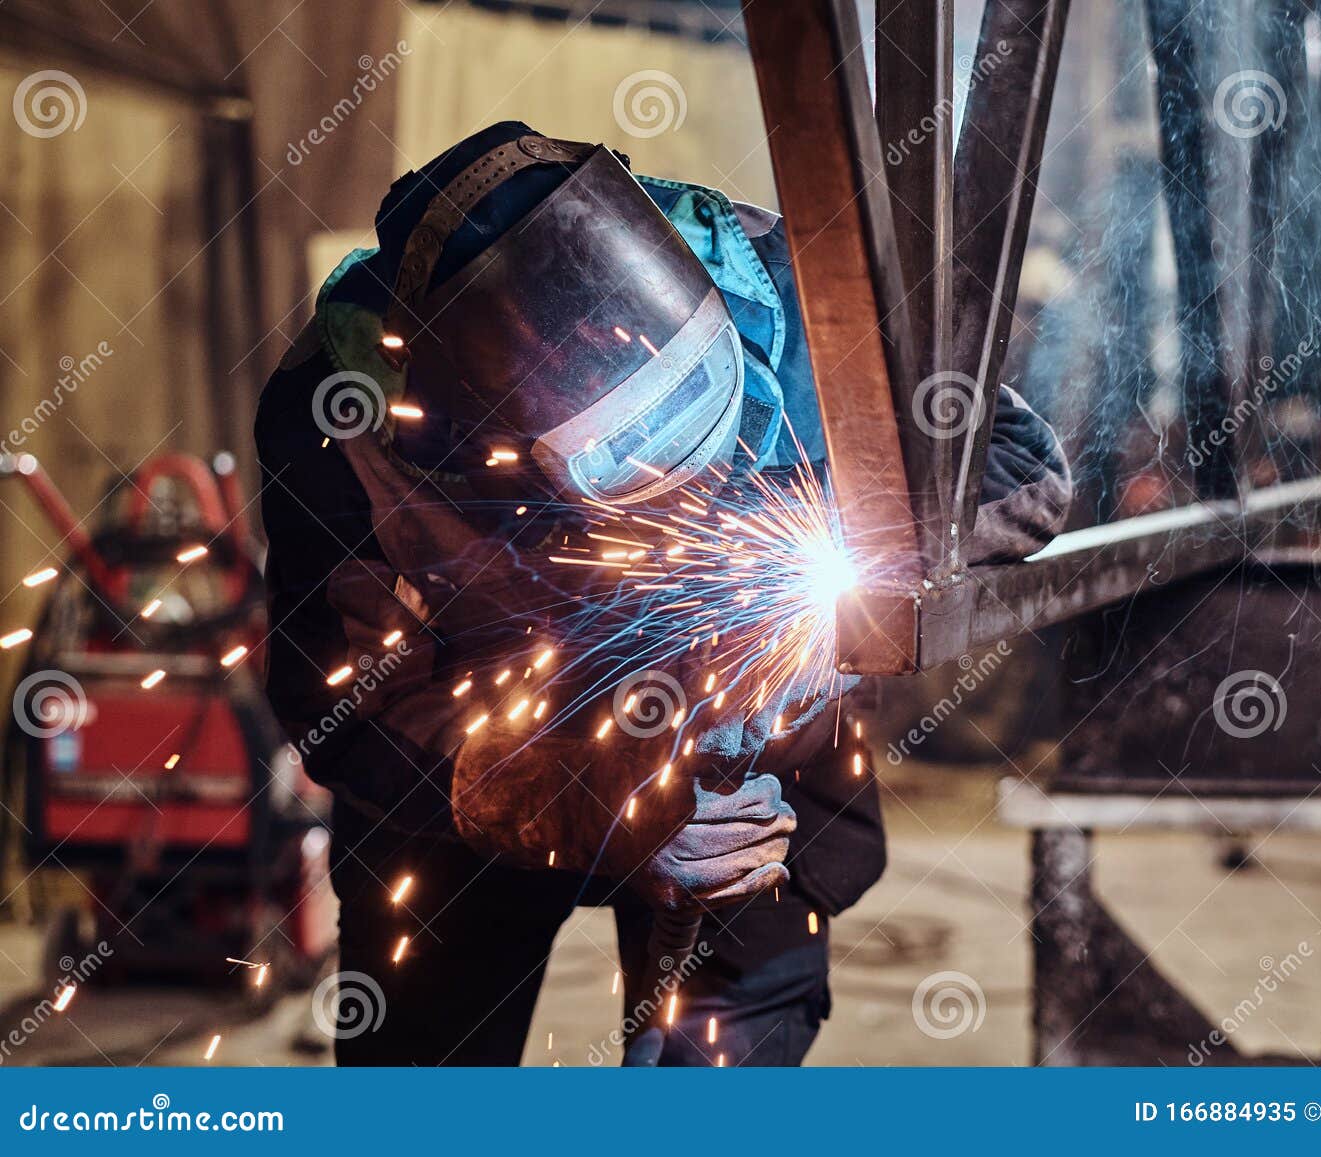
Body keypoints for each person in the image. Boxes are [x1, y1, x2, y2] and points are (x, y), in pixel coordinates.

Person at [255, 122, 1073, 1066]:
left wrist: (817, 570)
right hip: (487, 772)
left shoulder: (801, 291)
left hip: (749, 780)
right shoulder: (344, 409)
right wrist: (596, 802)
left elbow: (1017, 467)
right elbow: (348, 711)